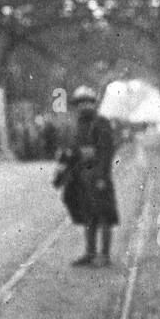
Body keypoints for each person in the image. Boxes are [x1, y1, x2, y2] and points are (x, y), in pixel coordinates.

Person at [55, 86, 119, 267]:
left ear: (93, 103)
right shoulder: (77, 125)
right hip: (80, 176)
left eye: (87, 102)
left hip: (97, 175)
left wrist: (101, 177)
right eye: (80, 103)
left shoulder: (102, 123)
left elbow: (106, 152)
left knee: (104, 215)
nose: (84, 106)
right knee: (87, 215)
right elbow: (72, 149)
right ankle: (90, 253)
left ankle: (104, 255)